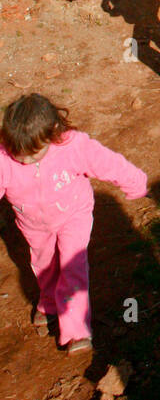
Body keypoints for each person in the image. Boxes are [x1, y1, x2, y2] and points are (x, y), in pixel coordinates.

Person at [0, 95, 147, 354]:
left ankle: (76, 330)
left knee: (72, 266)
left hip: (74, 215)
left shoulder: (72, 146)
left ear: (52, 133)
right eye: (18, 155)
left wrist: (135, 182)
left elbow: (107, 163)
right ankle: (49, 302)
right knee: (43, 264)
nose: (25, 161)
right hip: (33, 224)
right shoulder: (4, 157)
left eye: (33, 154)